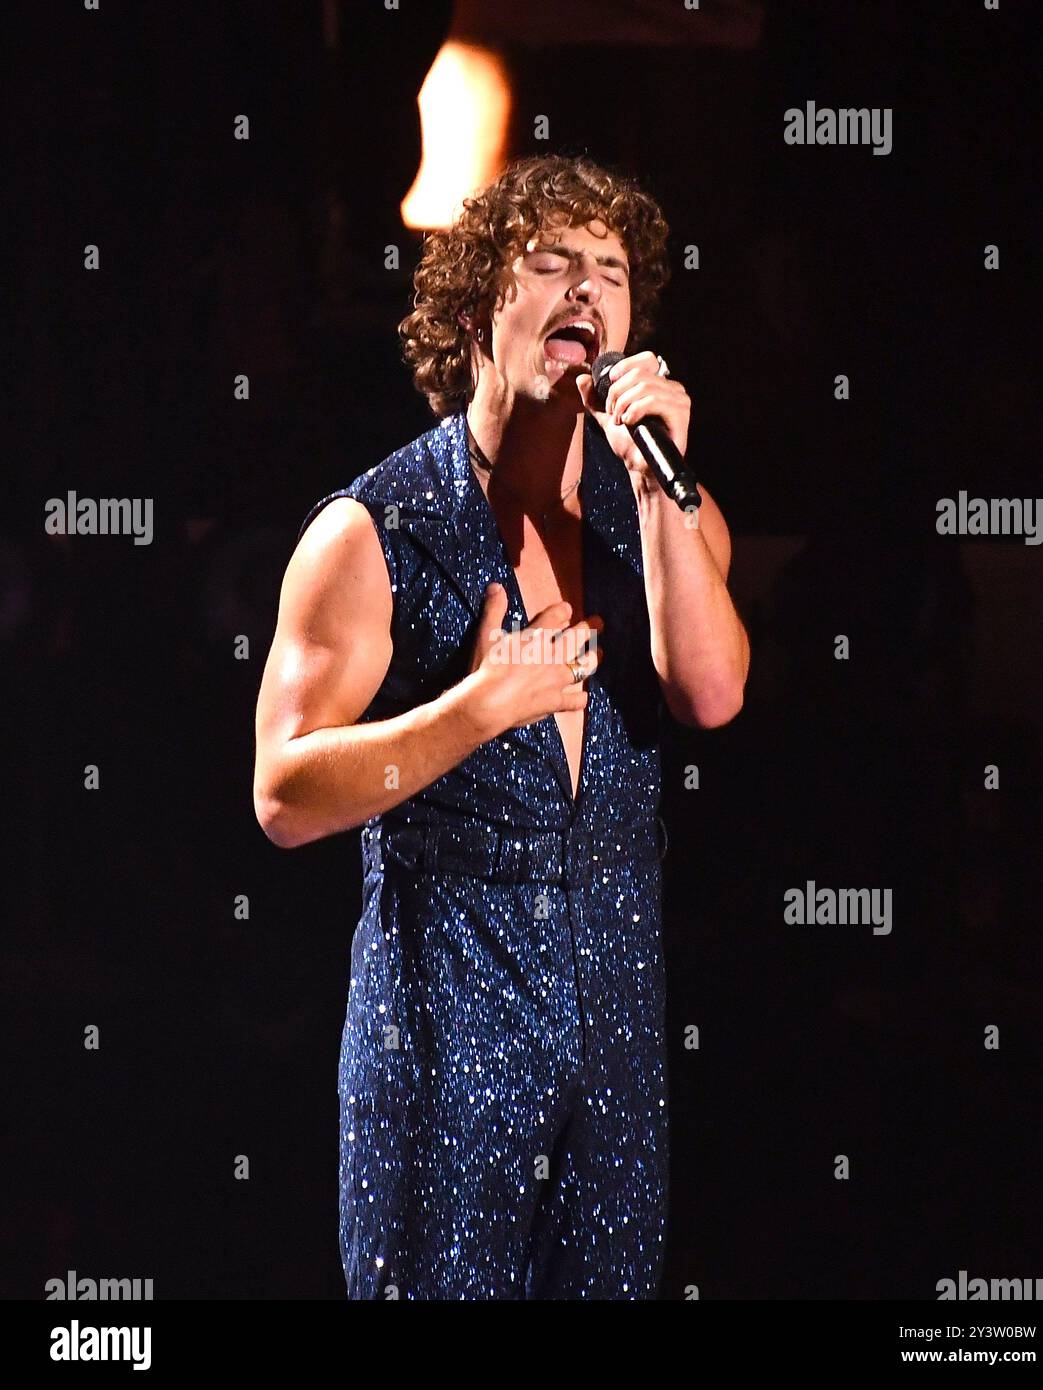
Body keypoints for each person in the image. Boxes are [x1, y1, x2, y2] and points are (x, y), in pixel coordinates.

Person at [253, 153, 750, 1299]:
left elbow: (712, 692)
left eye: (612, 271)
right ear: (478, 308)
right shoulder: (374, 530)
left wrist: (662, 485)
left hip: (618, 1040)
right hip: (443, 1050)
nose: (587, 290)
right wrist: (471, 713)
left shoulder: (662, 506)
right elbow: (282, 793)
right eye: (554, 263)